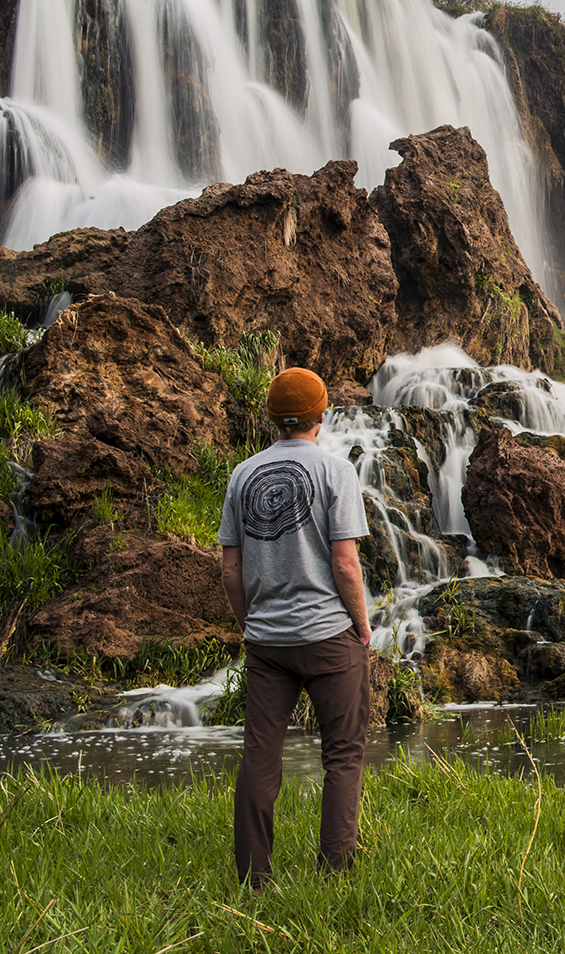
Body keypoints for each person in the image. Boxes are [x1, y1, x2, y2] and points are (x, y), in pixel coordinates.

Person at [220, 367, 371, 891]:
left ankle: (253, 879)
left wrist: (251, 626)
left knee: (260, 754)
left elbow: (230, 568)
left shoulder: (242, 475)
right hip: (329, 636)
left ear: (272, 419)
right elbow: (346, 563)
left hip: (267, 642)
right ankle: (335, 873)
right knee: (343, 753)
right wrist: (362, 625)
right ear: (321, 416)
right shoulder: (336, 472)